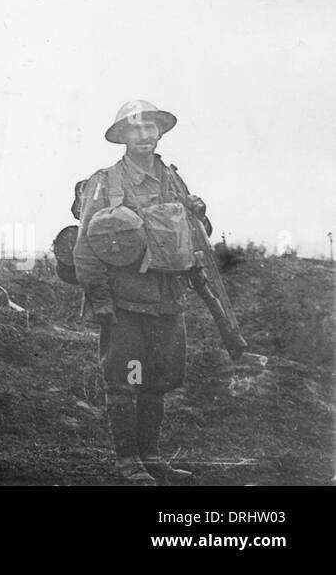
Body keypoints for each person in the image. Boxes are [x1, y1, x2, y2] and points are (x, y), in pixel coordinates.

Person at [73, 99, 211, 485]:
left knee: (157, 379)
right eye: (136, 129)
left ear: (160, 132)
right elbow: (85, 244)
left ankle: (151, 456)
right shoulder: (106, 181)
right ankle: (128, 461)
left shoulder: (173, 179)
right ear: (123, 136)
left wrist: (201, 213)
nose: (145, 136)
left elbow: (195, 236)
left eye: (151, 128)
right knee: (125, 379)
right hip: (126, 302)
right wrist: (100, 299)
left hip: (168, 299)